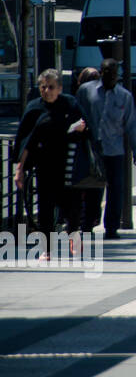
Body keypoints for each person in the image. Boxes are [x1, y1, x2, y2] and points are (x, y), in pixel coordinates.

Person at [13, 70, 85, 259]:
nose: (47, 90)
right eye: (43, 86)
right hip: (44, 164)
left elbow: (85, 126)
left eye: (51, 87)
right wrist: (19, 169)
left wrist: (80, 128)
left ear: (60, 88)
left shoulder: (70, 104)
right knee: (45, 207)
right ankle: (47, 249)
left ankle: (74, 238)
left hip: (68, 164)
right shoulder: (34, 109)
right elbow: (25, 141)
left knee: (72, 206)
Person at [85, 59, 136, 239]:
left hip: (114, 149)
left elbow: (132, 124)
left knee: (116, 189)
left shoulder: (124, 96)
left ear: (118, 74)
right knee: (92, 189)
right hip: (92, 149)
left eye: (114, 72)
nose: (110, 75)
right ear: (101, 72)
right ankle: (87, 224)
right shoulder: (87, 91)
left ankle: (111, 226)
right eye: (106, 71)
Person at [70, 67, 107, 237]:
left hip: (93, 149)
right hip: (80, 150)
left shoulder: (99, 97)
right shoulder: (74, 101)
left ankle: (87, 222)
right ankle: (80, 222)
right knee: (80, 189)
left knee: (93, 186)